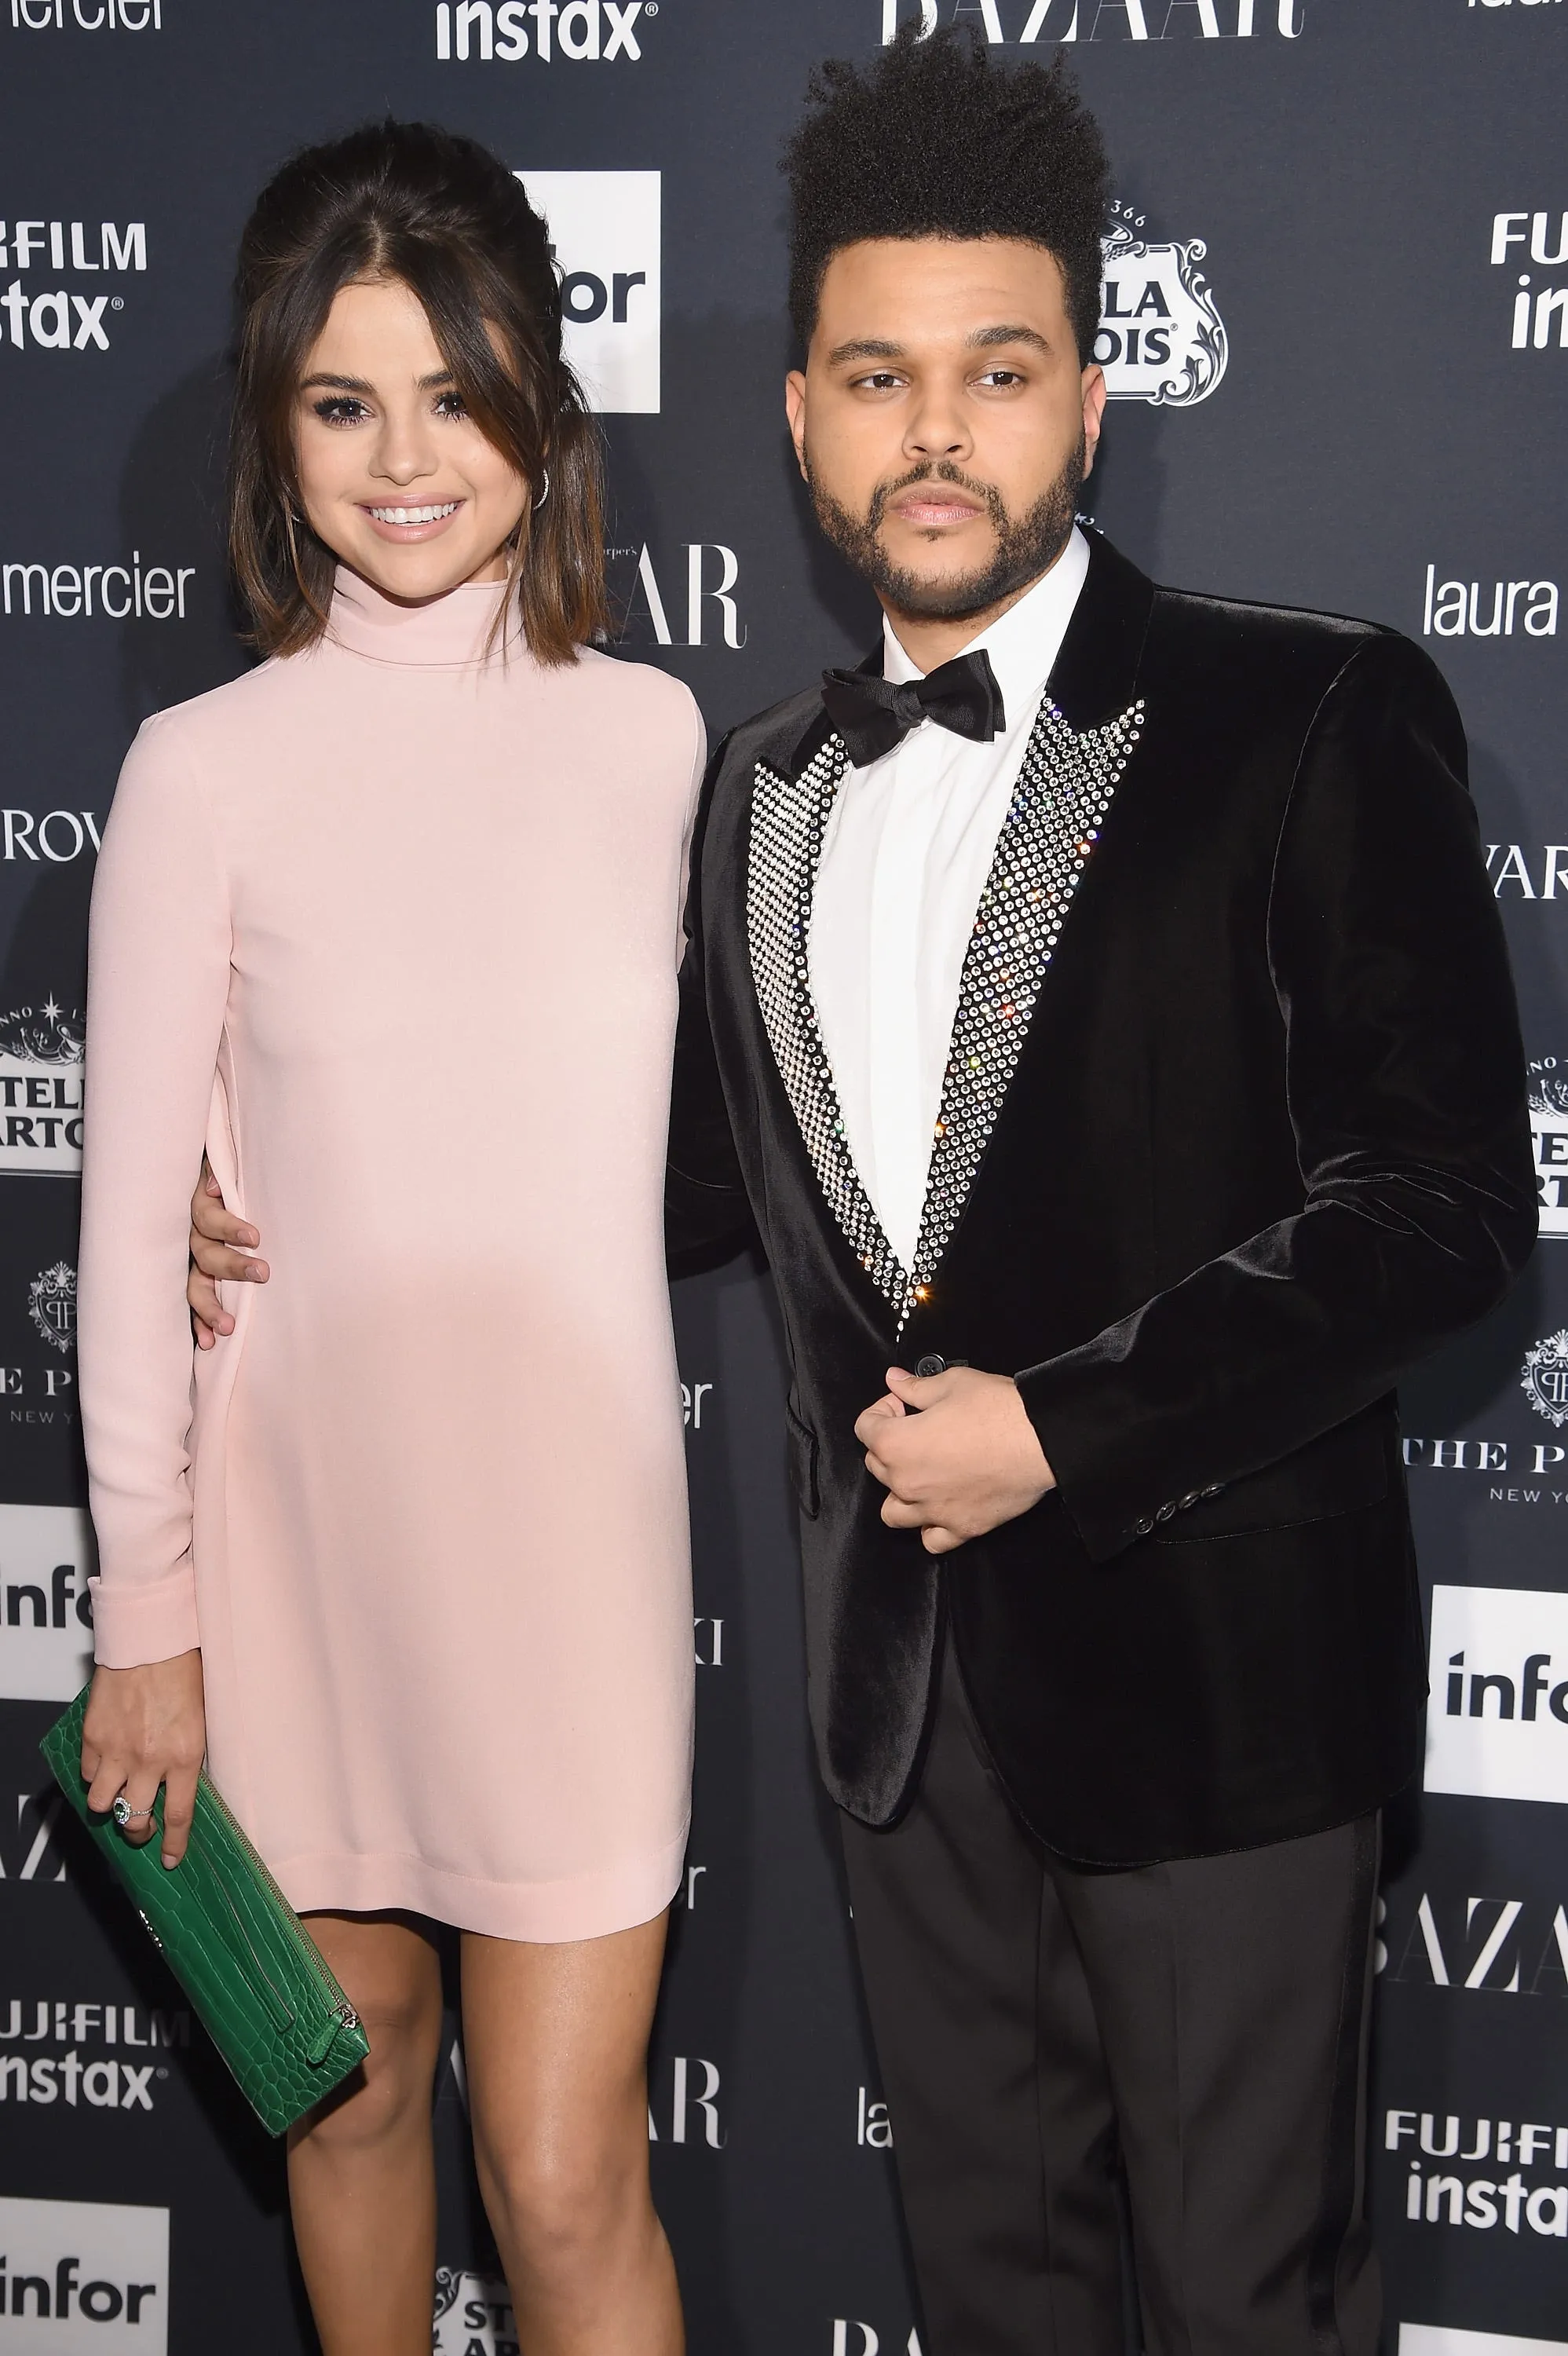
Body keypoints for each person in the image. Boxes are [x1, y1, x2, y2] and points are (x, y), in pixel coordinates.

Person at [190, 34, 1537, 2356]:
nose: (936, 433)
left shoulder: (1306, 717)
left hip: (1222, 1704)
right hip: (908, 1724)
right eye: (878, 378)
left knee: (1252, 2314)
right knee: (991, 2307)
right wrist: (280, 1205)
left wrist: (1066, 1424)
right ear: (800, 419)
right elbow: (655, 1184)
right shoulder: (751, 790)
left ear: (1088, 404)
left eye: (994, 374)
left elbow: (1439, 1206)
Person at [79, 121, 699, 2356]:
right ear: (277, 430)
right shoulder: (204, 770)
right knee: (343, 2110)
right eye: (344, 405)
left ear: (540, 397)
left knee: (565, 2174)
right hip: (300, 1557)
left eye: (454, 393)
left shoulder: (657, 742)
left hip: (571, 1548)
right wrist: (145, 1614)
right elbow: (129, 1229)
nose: (406, 461)